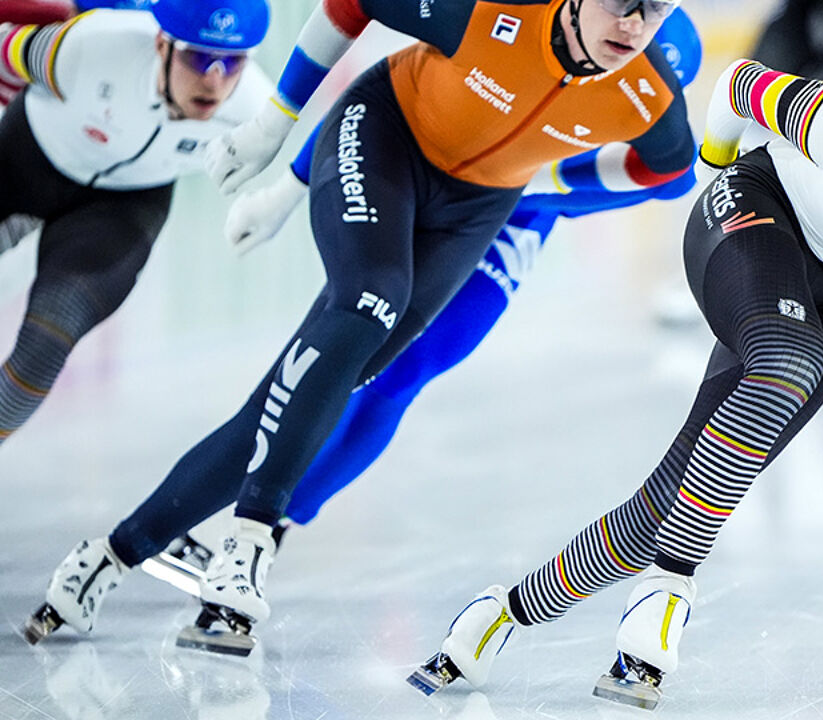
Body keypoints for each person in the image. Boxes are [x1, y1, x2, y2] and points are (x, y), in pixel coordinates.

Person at [405, 30, 823, 709]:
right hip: (758, 215)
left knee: (668, 501)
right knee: (790, 361)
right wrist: (716, 164)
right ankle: (670, 588)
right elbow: (737, 85)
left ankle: (497, 616)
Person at [27, 0, 694, 656]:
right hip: (392, 138)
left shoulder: (652, 84)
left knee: (346, 374)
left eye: (654, 11)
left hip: (491, 207)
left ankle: (114, 554)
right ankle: (253, 534)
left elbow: (668, 171)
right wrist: (279, 150)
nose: (633, 25)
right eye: (620, 5)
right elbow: (352, 4)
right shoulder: (495, 10)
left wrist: (545, 179)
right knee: (371, 300)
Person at [0, 0, 270, 452]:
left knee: (47, 343)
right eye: (199, 57)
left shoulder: (255, 112)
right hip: (25, 166)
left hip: (118, 211)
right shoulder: (90, 45)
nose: (214, 79)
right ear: (162, 44)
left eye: (233, 62)